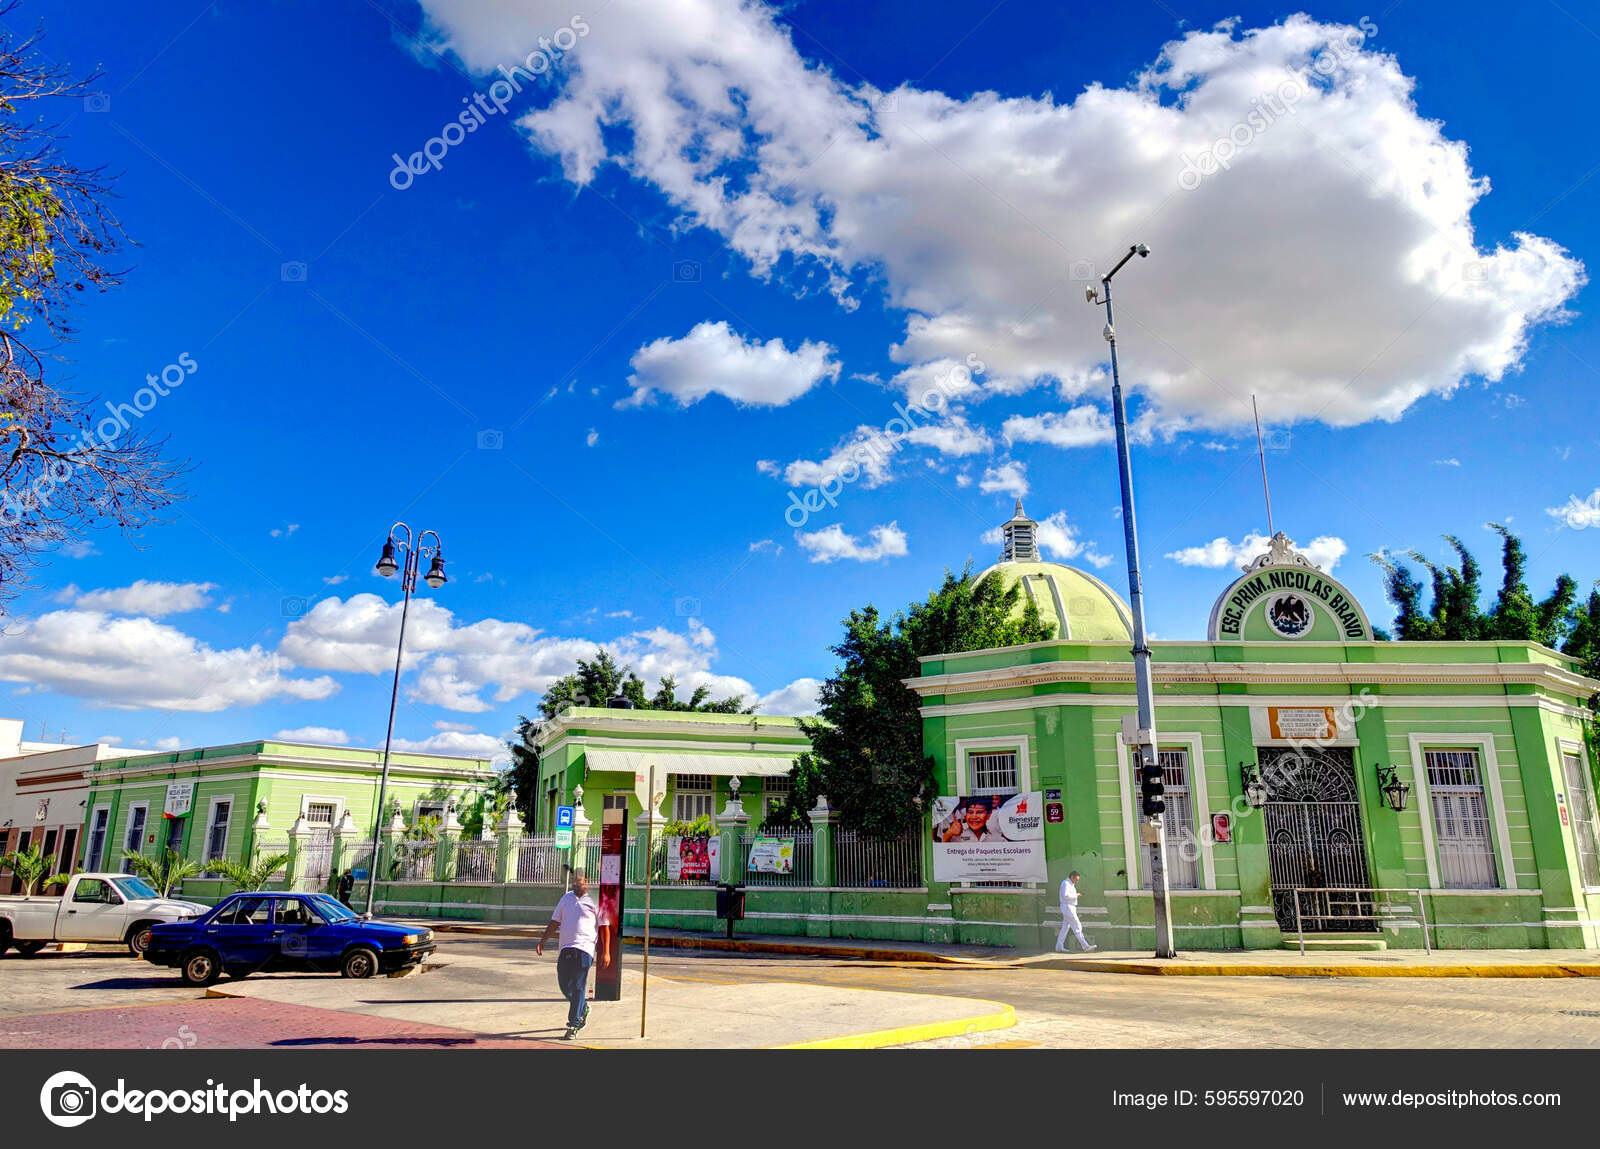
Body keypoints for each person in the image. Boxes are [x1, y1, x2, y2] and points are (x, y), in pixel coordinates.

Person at [537, 870, 604, 1039]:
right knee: (564, 984)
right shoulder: (566, 898)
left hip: (585, 948)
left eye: (579, 882)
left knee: (579, 985)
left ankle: (573, 1024)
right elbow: (555, 921)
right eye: (574, 882)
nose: (575, 884)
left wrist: (607, 952)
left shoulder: (595, 900)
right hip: (566, 947)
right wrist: (543, 941)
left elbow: (604, 926)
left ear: (587, 882)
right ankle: (583, 1007)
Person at [1055, 869, 1097, 953]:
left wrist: (1075, 895)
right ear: (1072, 877)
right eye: (1076, 879)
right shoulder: (1066, 883)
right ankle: (1085, 946)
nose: (1077, 881)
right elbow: (1065, 896)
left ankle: (1059, 946)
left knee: (1065, 928)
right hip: (1068, 907)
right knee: (1077, 926)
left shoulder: (1070, 884)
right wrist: (1076, 895)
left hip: (1069, 907)